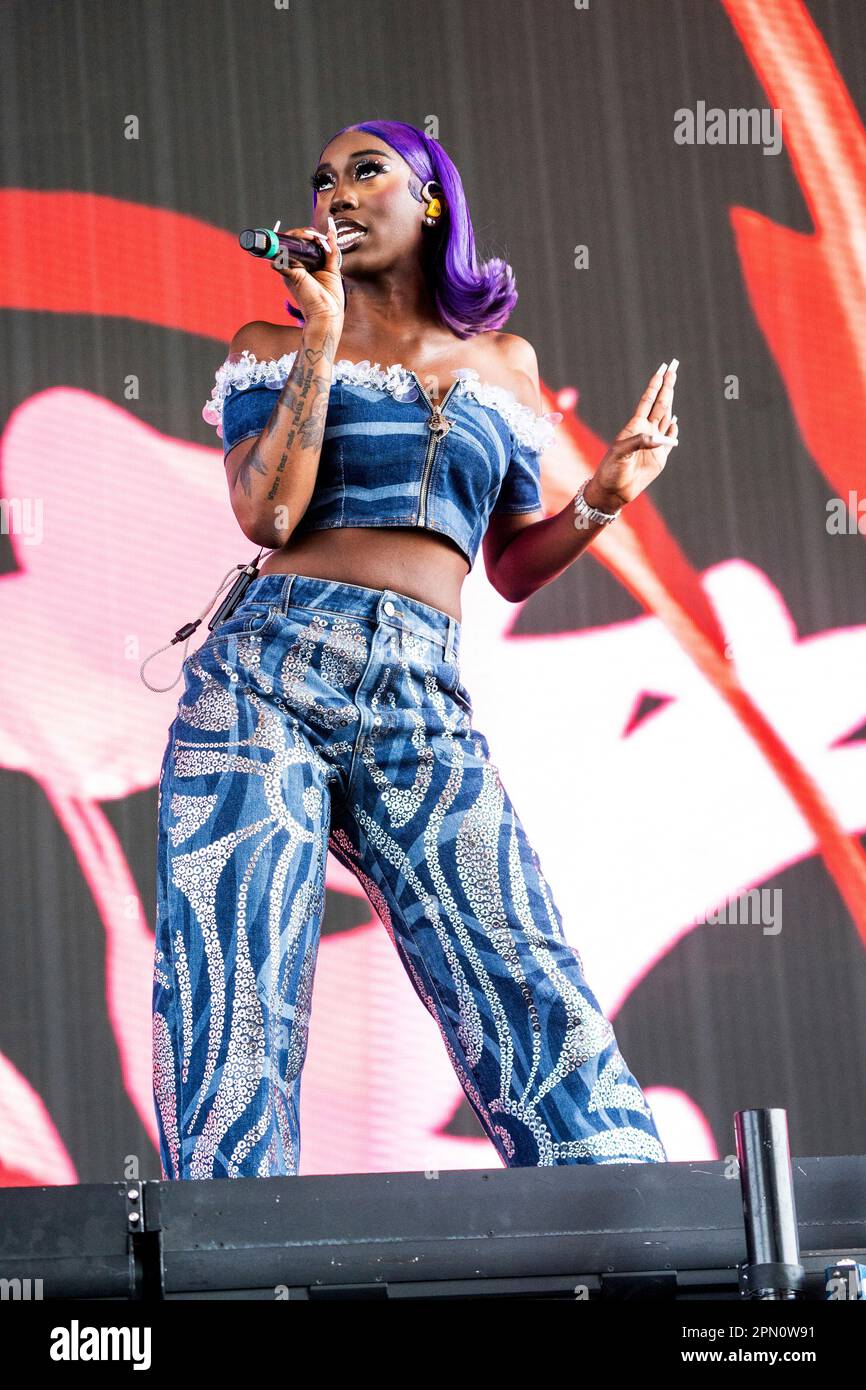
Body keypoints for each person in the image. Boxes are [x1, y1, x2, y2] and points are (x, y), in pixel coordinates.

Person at [152, 120, 679, 1180]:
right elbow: (269, 512)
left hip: (417, 694)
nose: (333, 193)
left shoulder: (503, 365)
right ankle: (229, 1257)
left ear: (430, 197)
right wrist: (321, 335)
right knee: (235, 979)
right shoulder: (271, 344)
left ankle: (637, 1224)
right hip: (264, 675)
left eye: (364, 171)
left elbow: (510, 565)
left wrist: (603, 499)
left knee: (517, 959)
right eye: (320, 181)